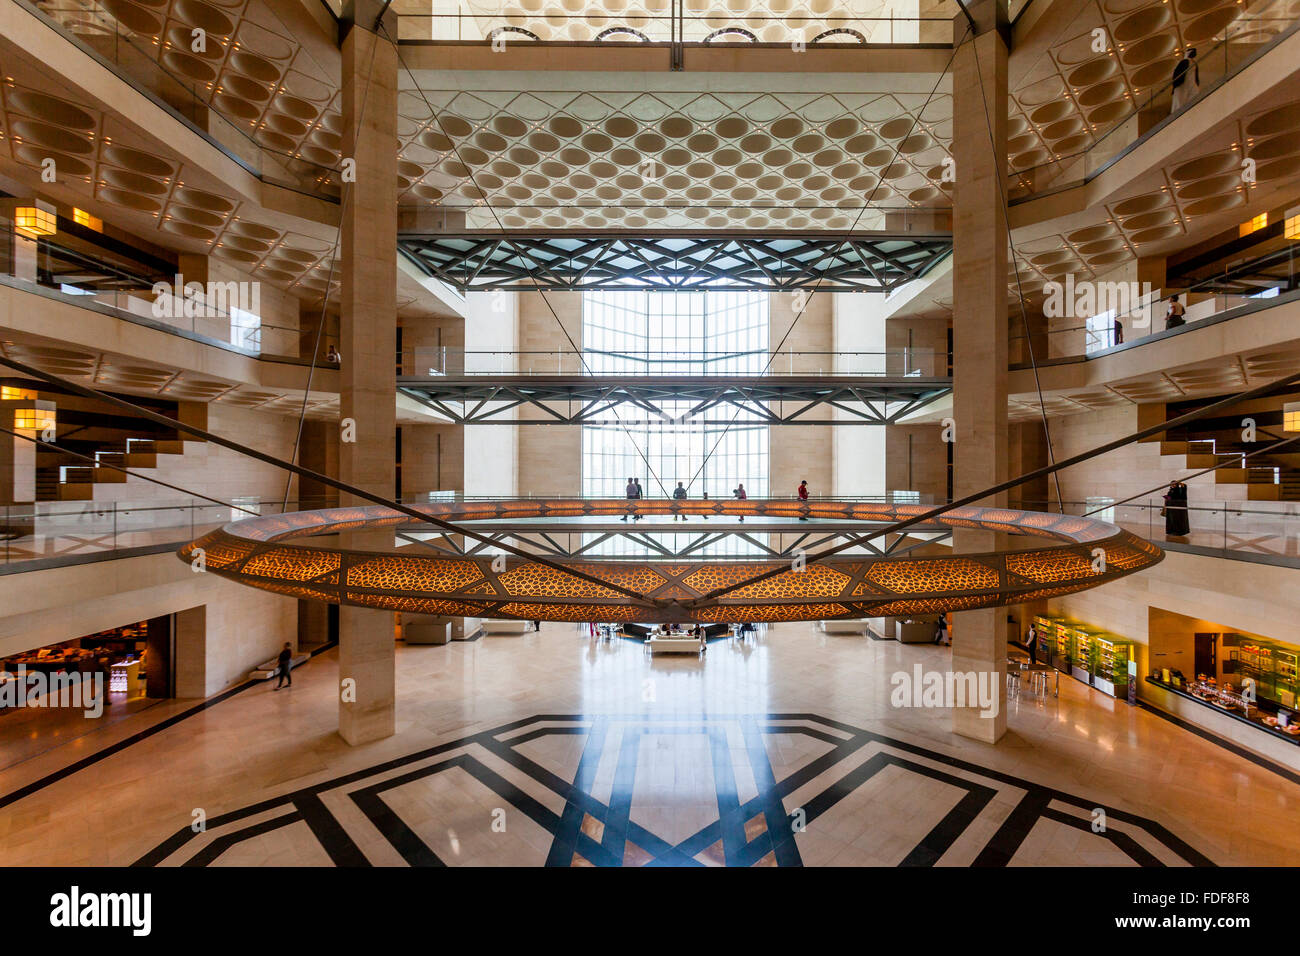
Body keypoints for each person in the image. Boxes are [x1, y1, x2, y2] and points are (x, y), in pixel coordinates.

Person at [1170, 47, 1199, 115]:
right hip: (1184, 83)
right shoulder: (1186, 62)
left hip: (1188, 83)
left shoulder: (1192, 62)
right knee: (1181, 100)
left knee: (1187, 98)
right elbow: (1177, 74)